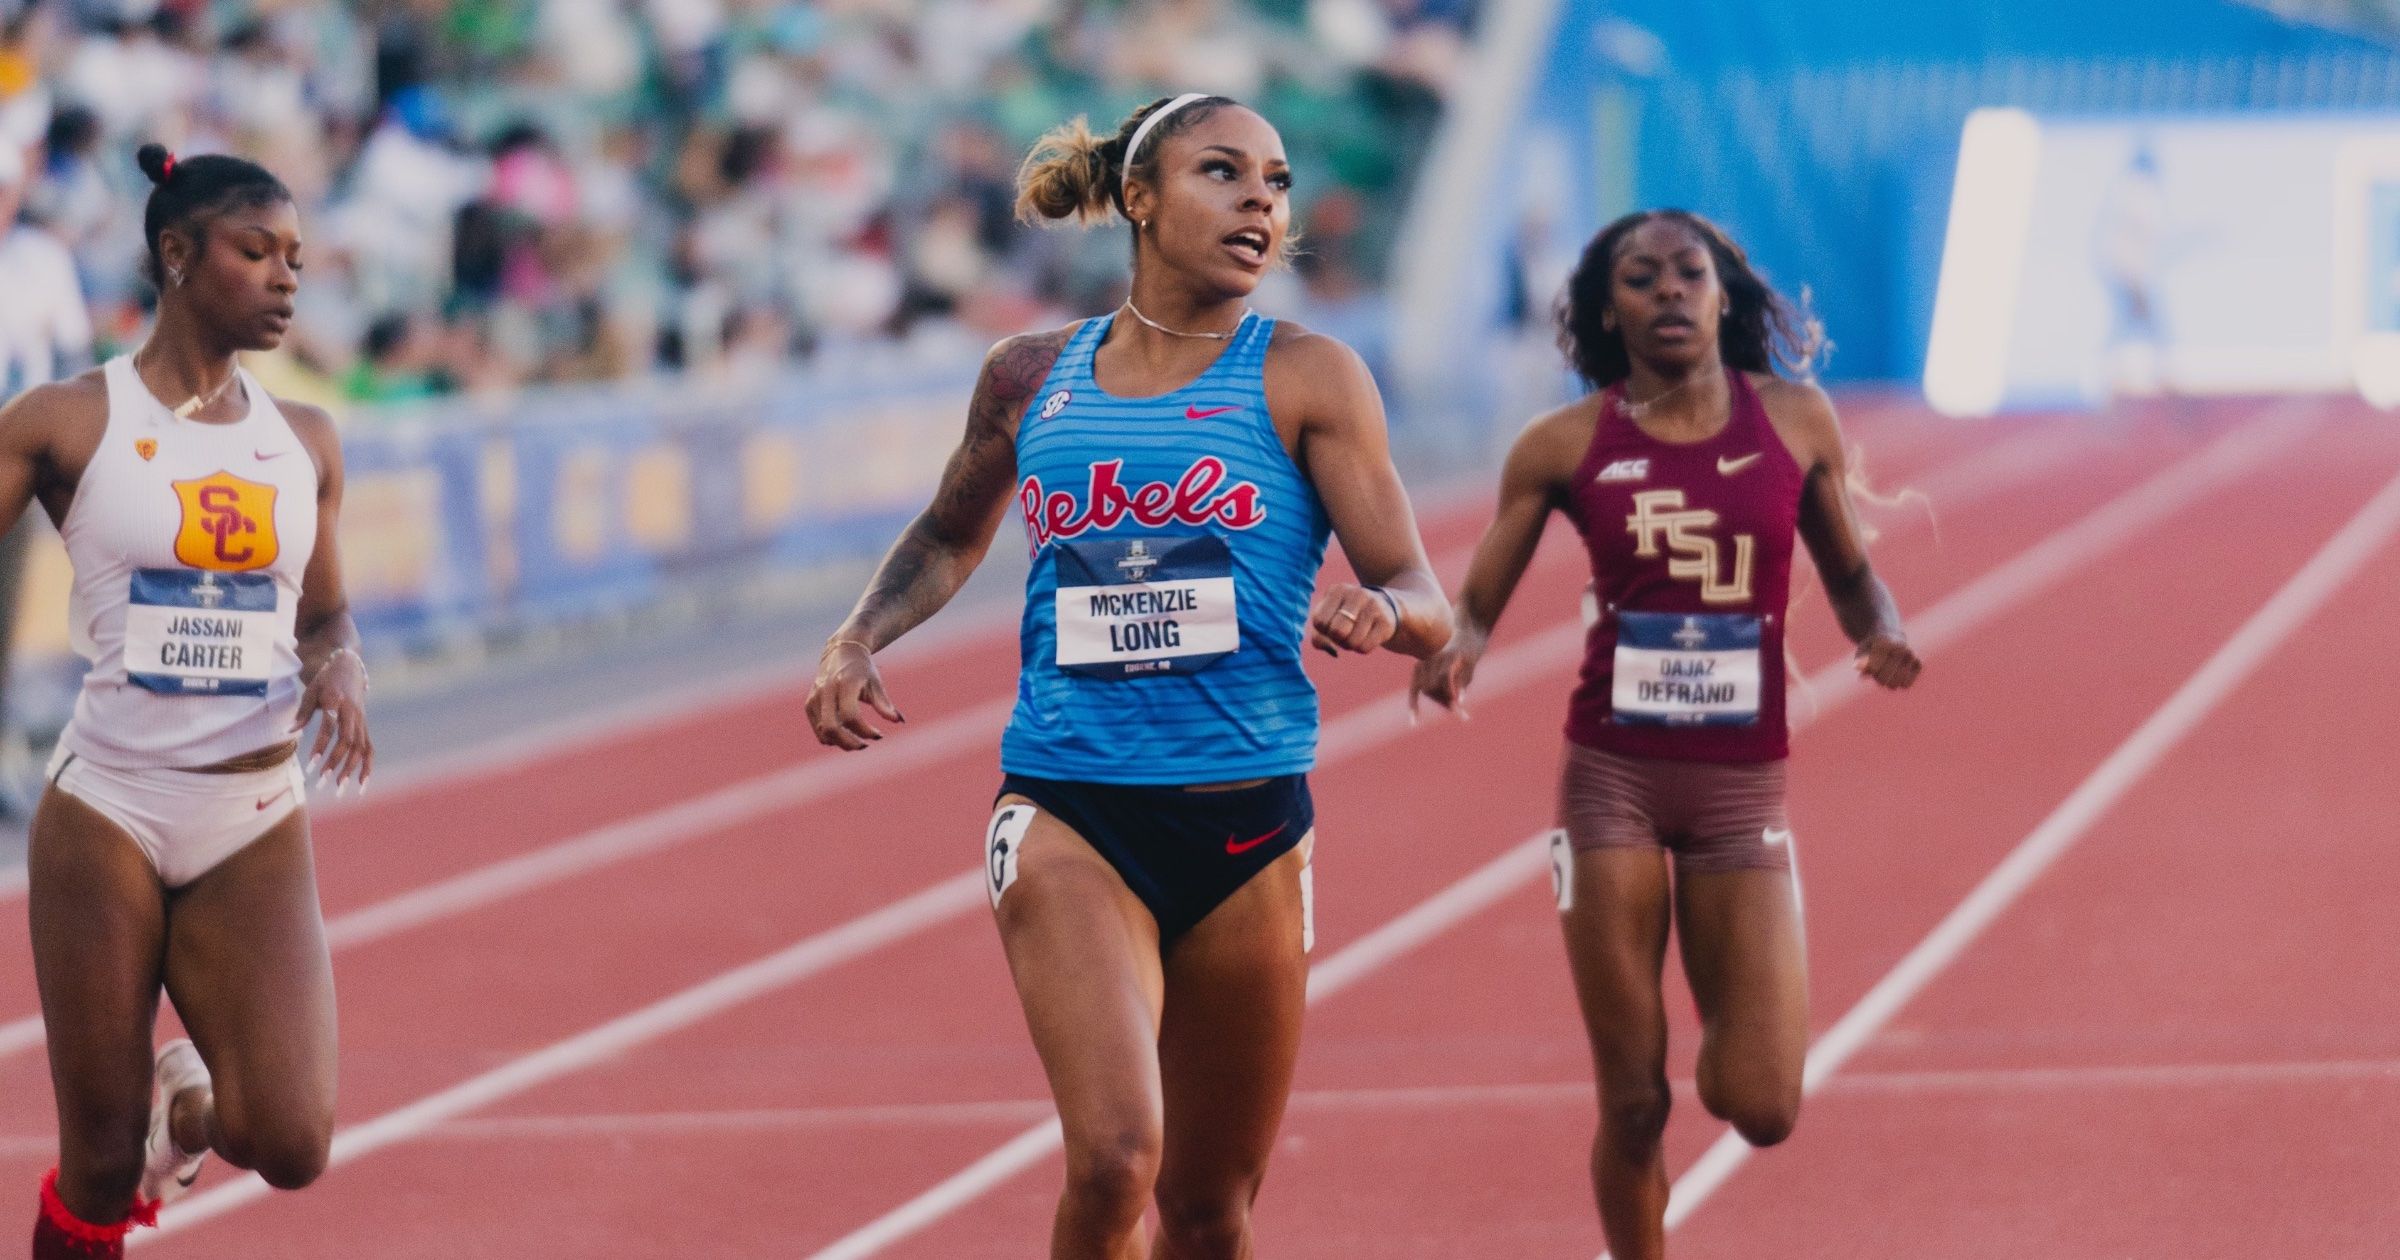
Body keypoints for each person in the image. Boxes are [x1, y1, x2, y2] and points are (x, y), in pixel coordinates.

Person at [807, 93, 1451, 1258]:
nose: (1262, 198)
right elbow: (950, 534)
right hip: (1070, 807)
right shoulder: (1029, 376)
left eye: (1278, 180)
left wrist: (1386, 611)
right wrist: (856, 638)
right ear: (1140, 198)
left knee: (1209, 1216)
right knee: (1113, 1159)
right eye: (1224, 172)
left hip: (1249, 821)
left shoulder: (1309, 376)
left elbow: (1423, 589)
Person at [1410, 209, 1920, 1260]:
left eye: (1691, 275)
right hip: (1613, 787)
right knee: (1635, 1097)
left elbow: (1855, 577)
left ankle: (1749, 966)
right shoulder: (1561, 445)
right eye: (1642, 280)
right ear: (1609, 309)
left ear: (1725, 294)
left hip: (1742, 795)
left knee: (1762, 1102)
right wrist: (1453, 647)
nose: (1671, 294)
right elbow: (1474, 605)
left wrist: (1884, 633)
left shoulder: (1794, 418)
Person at [0, 144, 370, 1259]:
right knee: (100, 1162)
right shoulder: (65, 422)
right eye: (255, 252)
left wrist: (340, 662)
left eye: (296, 258)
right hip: (108, 805)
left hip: (252, 814)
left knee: (291, 1139)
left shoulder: (304, 442)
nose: (285, 278)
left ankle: (192, 1112)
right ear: (176, 255)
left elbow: (326, 616)